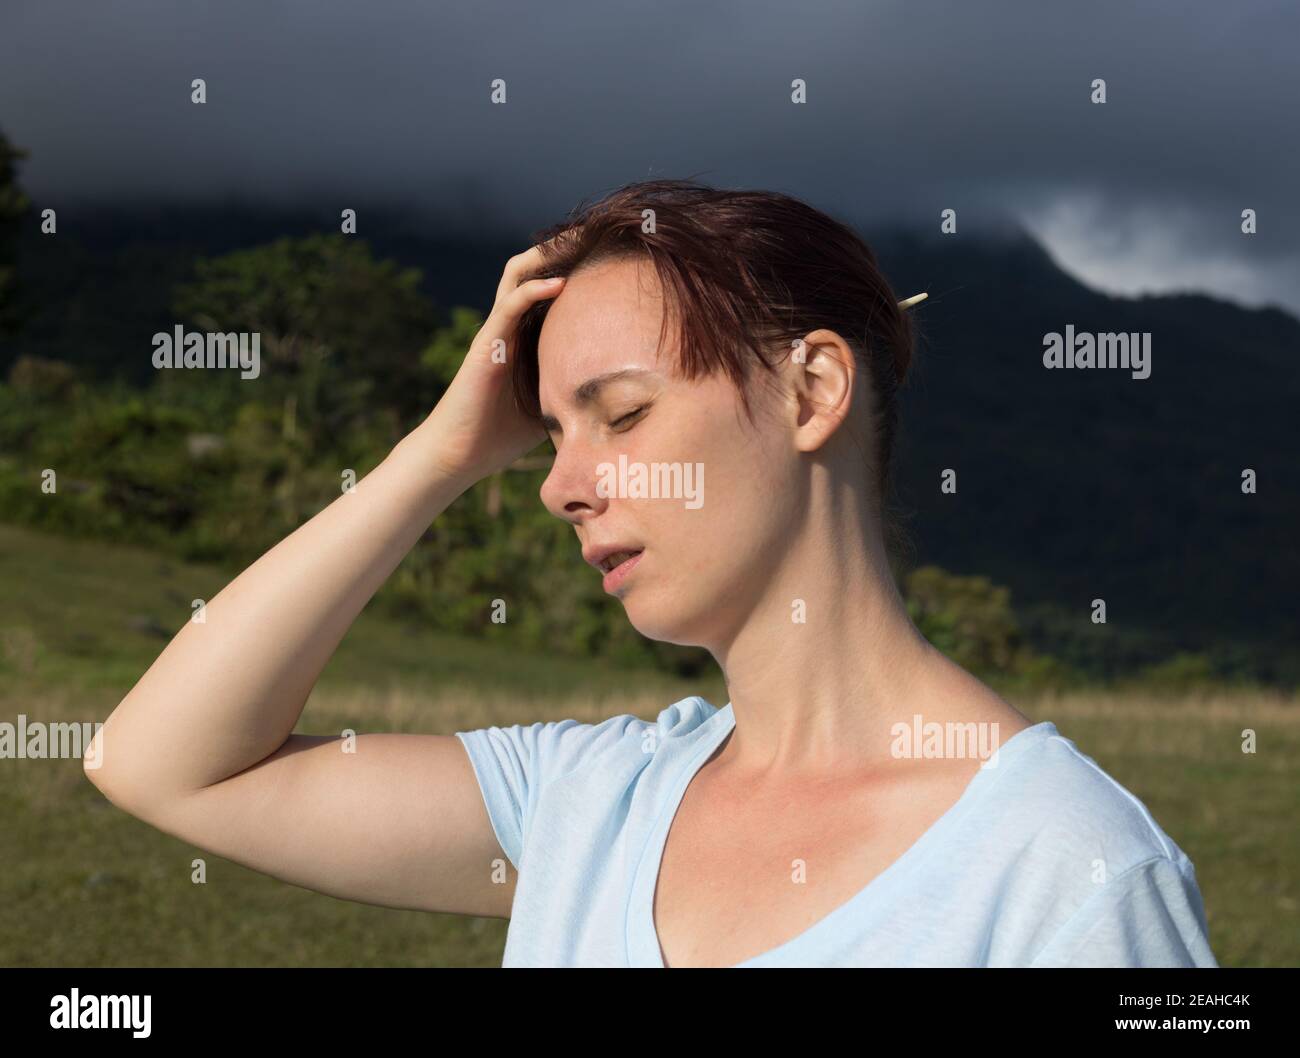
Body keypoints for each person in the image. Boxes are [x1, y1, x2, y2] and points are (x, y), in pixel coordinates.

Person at [85, 178, 1218, 968]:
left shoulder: (1072, 872)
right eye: (547, 435)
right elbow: (164, 763)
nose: (557, 484)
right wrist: (434, 454)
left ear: (811, 391)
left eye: (621, 413)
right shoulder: (585, 803)